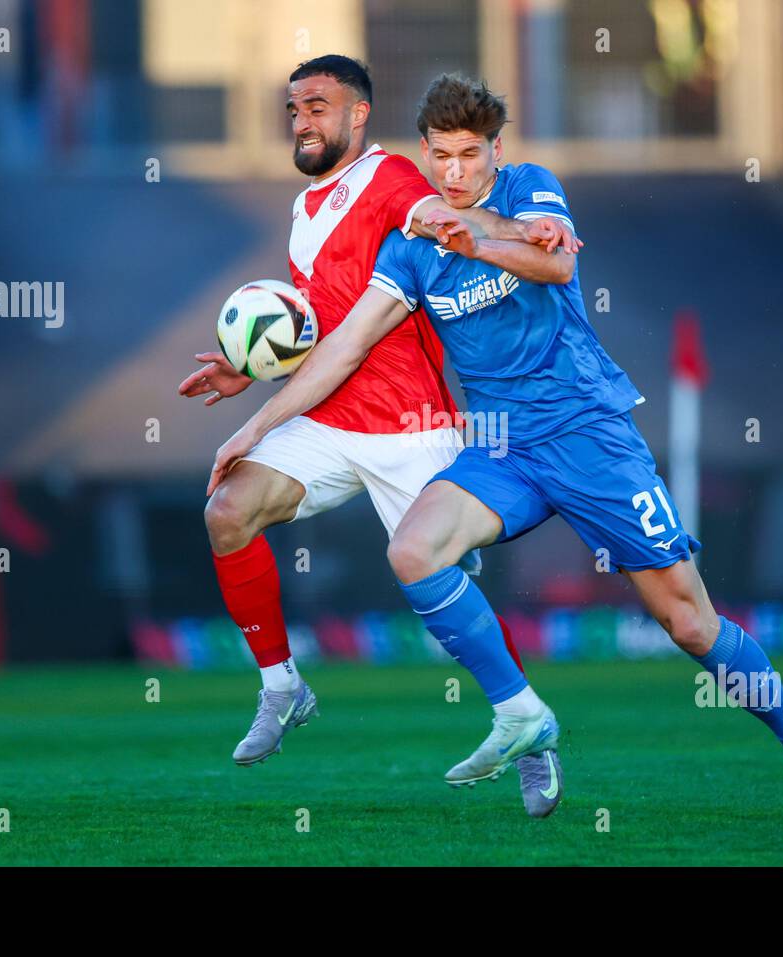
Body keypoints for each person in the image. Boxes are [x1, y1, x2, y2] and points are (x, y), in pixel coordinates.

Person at [209, 74, 783, 821]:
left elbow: (556, 264)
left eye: (470, 156)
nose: (455, 173)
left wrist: (485, 237)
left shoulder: (530, 191)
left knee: (689, 623)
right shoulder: (412, 250)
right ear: (424, 153)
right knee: (413, 551)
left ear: (497, 151)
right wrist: (254, 426)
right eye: (442, 157)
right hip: (504, 449)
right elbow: (345, 348)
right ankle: (523, 714)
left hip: (589, 435)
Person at [180, 56, 576, 818]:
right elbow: (318, 327)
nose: (302, 119)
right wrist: (248, 367)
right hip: (326, 421)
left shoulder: (392, 179)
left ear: (358, 115)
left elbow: (441, 218)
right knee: (227, 510)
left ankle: (533, 734)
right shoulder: (307, 208)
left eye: (319, 106)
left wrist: (528, 226)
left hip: (409, 427)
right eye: (294, 107)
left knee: (448, 607)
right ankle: (282, 686)